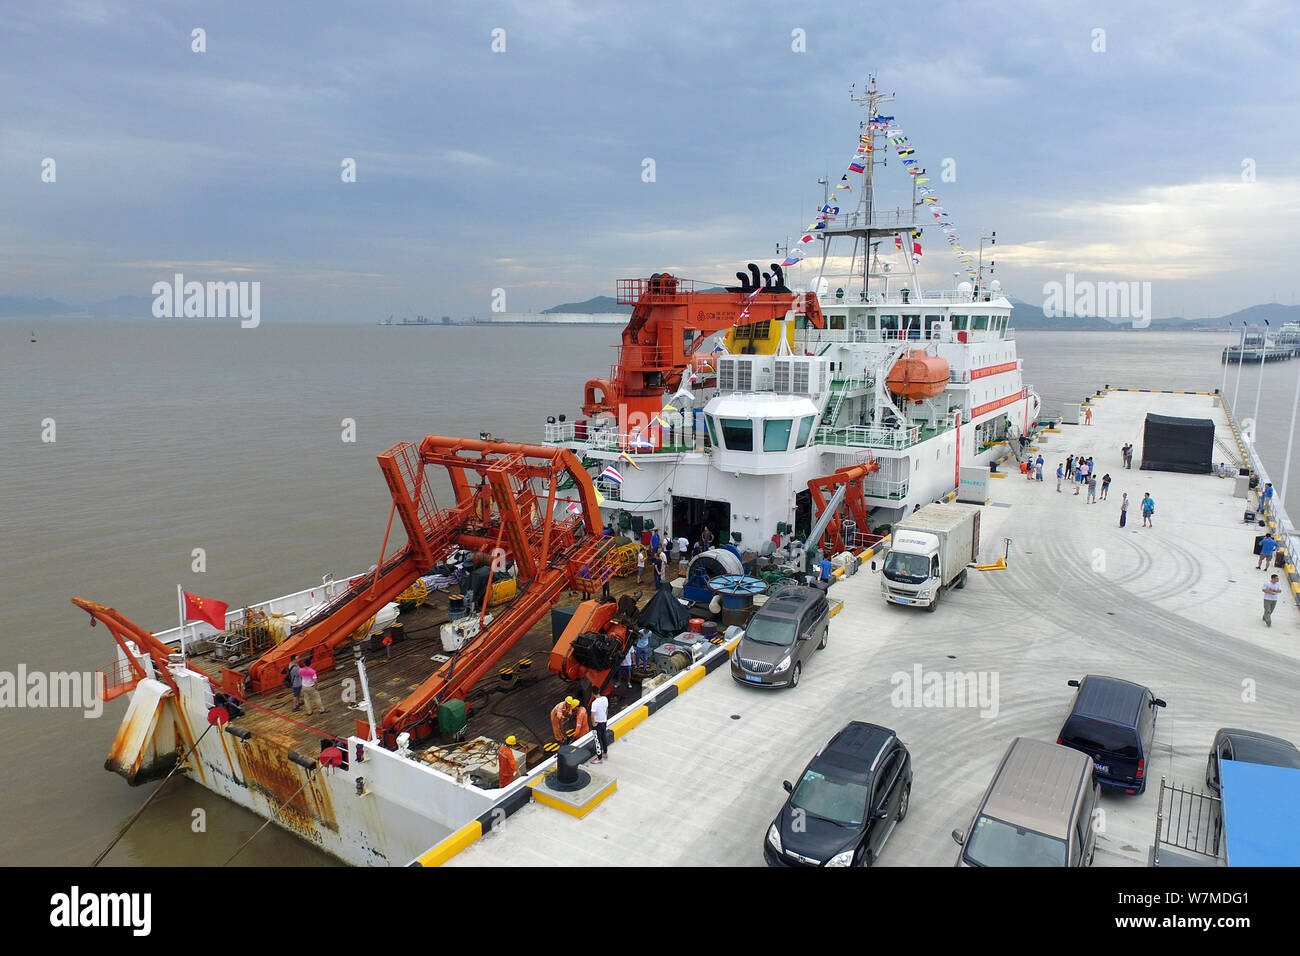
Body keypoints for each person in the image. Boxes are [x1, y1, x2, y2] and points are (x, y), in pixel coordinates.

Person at [590, 692, 610, 763]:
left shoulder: (594, 703)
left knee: (597, 740)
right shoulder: (605, 698)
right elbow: (606, 709)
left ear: (593, 694)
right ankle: (605, 752)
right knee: (603, 737)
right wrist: (605, 717)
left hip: (597, 723)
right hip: (604, 722)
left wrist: (593, 723)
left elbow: (592, 715)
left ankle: (599, 758)